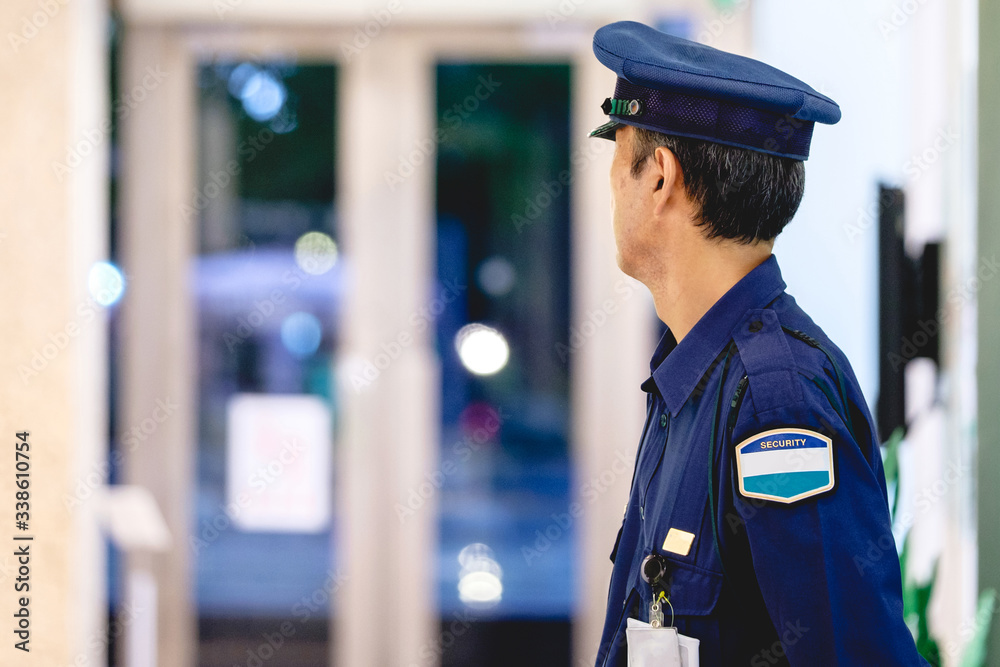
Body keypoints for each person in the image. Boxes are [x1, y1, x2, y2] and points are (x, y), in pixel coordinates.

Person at [588, 21, 927, 666]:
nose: (611, 186)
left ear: (659, 175)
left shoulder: (776, 401)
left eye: (617, 157)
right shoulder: (692, 377)